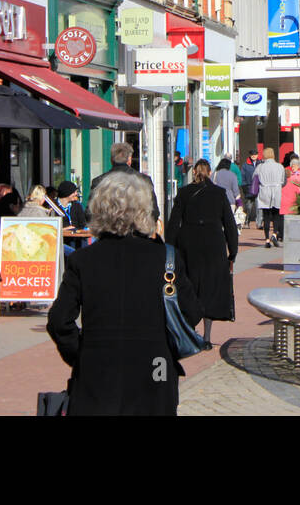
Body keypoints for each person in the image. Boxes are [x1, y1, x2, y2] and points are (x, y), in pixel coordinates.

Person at [47, 171, 202, 415]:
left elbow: (59, 320)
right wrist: (164, 344)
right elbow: (191, 312)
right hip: (156, 367)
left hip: (97, 369)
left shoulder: (82, 260)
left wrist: (81, 354)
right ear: (144, 210)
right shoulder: (165, 258)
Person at [165, 160, 238, 350]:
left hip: (188, 242)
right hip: (213, 243)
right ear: (210, 172)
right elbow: (229, 224)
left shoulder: (184, 193)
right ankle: (206, 336)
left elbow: (173, 222)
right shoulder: (219, 194)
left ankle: (189, 330)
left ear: (194, 172)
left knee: (189, 285)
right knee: (209, 288)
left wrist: (169, 248)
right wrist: (233, 251)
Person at [253, 147, 286, 248]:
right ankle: (275, 234)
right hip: (276, 191)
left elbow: (254, 179)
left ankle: (267, 239)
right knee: (276, 215)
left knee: (266, 216)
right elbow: (284, 181)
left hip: (264, 192)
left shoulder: (260, 167)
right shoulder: (280, 167)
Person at [54, 181, 88, 253]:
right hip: (61, 240)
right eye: (74, 192)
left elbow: (83, 224)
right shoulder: (53, 207)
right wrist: (65, 229)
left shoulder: (77, 205)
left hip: (76, 239)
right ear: (67, 193)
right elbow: (52, 228)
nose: (76, 194)